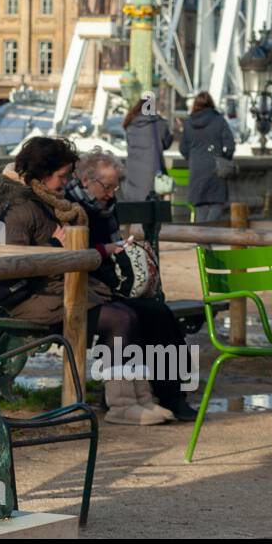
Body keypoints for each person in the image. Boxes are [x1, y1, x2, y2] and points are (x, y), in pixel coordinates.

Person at [66, 149, 198, 423]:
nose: (112, 192)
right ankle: (129, 398)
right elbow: (74, 251)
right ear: (87, 180)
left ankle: (173, 393)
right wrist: (106, 251)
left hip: (108, 284)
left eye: (116, 186)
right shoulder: (71, 206)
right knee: (130, 316)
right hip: (86, 288)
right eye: (107, 186)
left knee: (159, 313)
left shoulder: (105, 207)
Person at [0, 136, 86, 326]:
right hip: (28, 297)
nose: (66, 182)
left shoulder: (52, 202)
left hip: (54, 290)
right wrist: (55, 245)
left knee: (136, 313)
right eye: (62, 176)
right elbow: (9, 266)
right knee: (120, 319)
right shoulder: (21, 207)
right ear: (43, 174)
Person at [179, 91, 236, 223]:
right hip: (215, 167)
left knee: (200, 206)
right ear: (211, 104)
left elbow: (183, 148)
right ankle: (205, 239)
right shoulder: (219, 120)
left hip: (196, 168)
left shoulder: (188, 123)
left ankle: (202, 240)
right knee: (217, 203)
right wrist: (225, 158)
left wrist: (192, 158)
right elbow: (230, 145)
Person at [120, 98, 172, 202]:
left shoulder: (130, 124)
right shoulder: (159, 123)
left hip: (132, 175)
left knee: (134, 209)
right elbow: (166, 143)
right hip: (152, 174)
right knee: (151, 210)